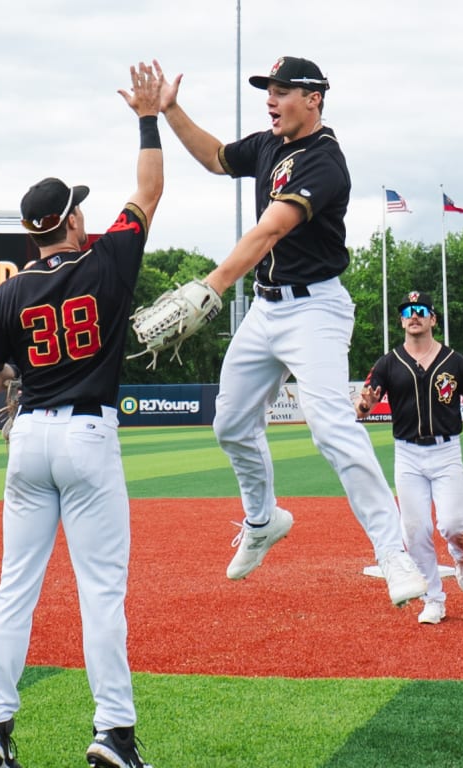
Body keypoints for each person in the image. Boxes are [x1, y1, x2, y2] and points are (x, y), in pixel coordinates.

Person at [159, 56, 426, 605]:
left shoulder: (326, 162)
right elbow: (213, 157)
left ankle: (393, 555)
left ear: (315, 98)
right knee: (230, 423)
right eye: (268, 90)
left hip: (315, 310)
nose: (270, 99)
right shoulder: (266, 145)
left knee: (332, 428)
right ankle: (262, 521)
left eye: (282, 91)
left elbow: (271, 229)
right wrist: (170, 110)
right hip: (265, 308)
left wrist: (211, 286)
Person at [0, 61, 164, 768]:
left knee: (14, 590)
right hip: (86, 433)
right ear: (74, 220)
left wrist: (15, 399)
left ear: (29, 231)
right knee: (100, 593)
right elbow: (149, 189)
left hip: (30, 438)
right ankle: (113, 732)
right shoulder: (106, 260)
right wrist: (148, 115)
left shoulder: (9, 293)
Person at [358, 291, 463, 625]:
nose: (413, 315)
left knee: (453, 524)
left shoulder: (454, 361)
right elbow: (364, 405)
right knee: (415, 531)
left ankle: (462, 554)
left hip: (446, 451)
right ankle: (434, 599)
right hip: (407, 454)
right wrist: (364, 404)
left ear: (433, 319)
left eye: (420, 310)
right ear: (402, 320)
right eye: (407, 311)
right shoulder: (388, 363)